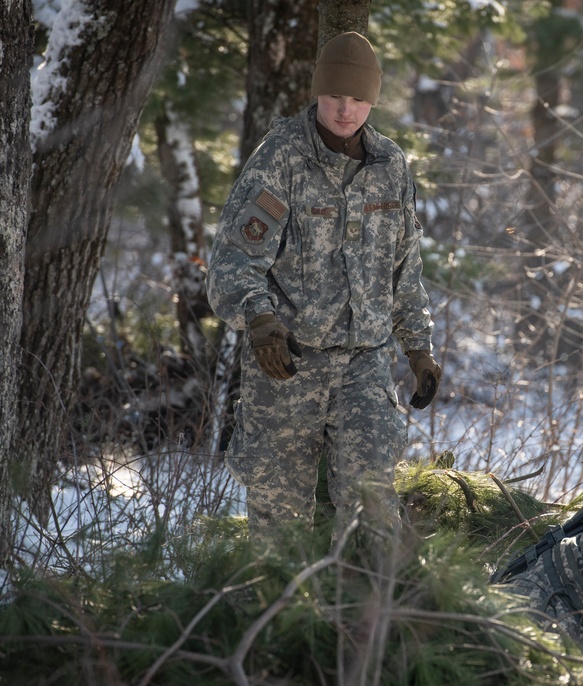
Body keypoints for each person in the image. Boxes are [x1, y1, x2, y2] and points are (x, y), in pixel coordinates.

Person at [207, 31, 441, 550]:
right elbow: (233, 263)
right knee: (279, 522)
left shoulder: (391, 167)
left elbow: (405, 268)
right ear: (317, 93)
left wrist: (418, 346)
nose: (345, 110)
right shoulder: (281, 158)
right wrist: (260, 320)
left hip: (366, 366)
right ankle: (277, 626)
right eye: (335, 96)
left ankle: (367, 626)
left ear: (372, 100)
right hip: (288, 367)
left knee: (372, 513)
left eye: (358, 99)